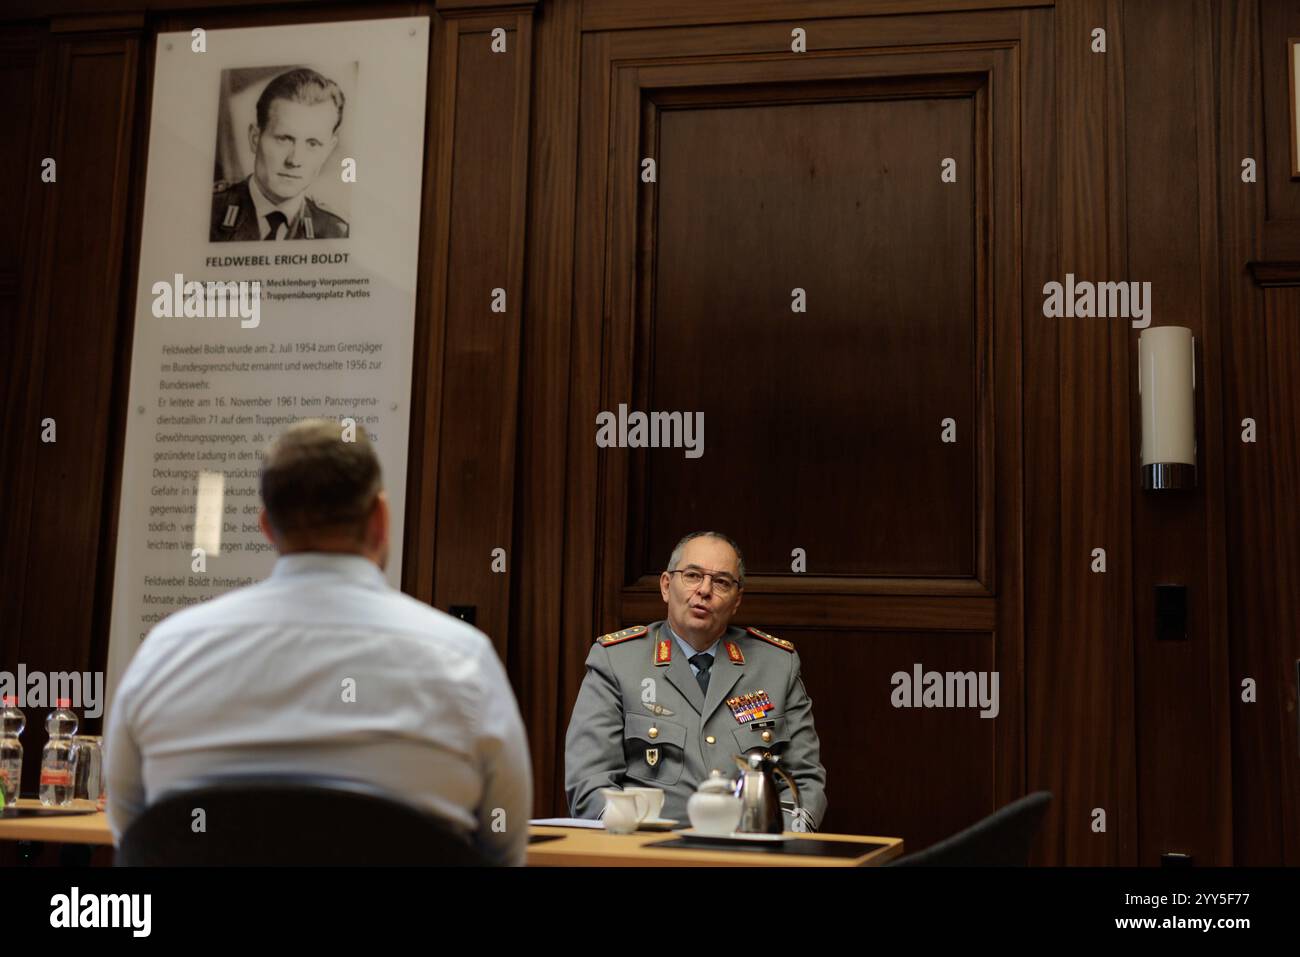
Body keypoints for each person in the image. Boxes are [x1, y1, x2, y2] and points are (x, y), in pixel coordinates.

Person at [105, 419, 531, 865]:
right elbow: (502, 852)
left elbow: (134, 835)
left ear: (267, 526)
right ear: (380, 518)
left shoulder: (165, 652)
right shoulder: (464, 661)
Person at [564, 531, 827, 830]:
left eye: (721, 582)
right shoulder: (616, 662)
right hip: (650, 855)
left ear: (736, 600)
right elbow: (590, 783)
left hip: (750, 856)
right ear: (666, 586)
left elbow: (804, 780)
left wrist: (775, 839)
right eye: (692, 575)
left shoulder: (777, 665)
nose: (704, 590)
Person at [210, 68, 349, 241]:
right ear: (255, 138)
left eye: (312, 144)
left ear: (328, 150)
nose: (294, 160)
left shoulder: (336, 232)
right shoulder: (209, 213)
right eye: (284, 139)